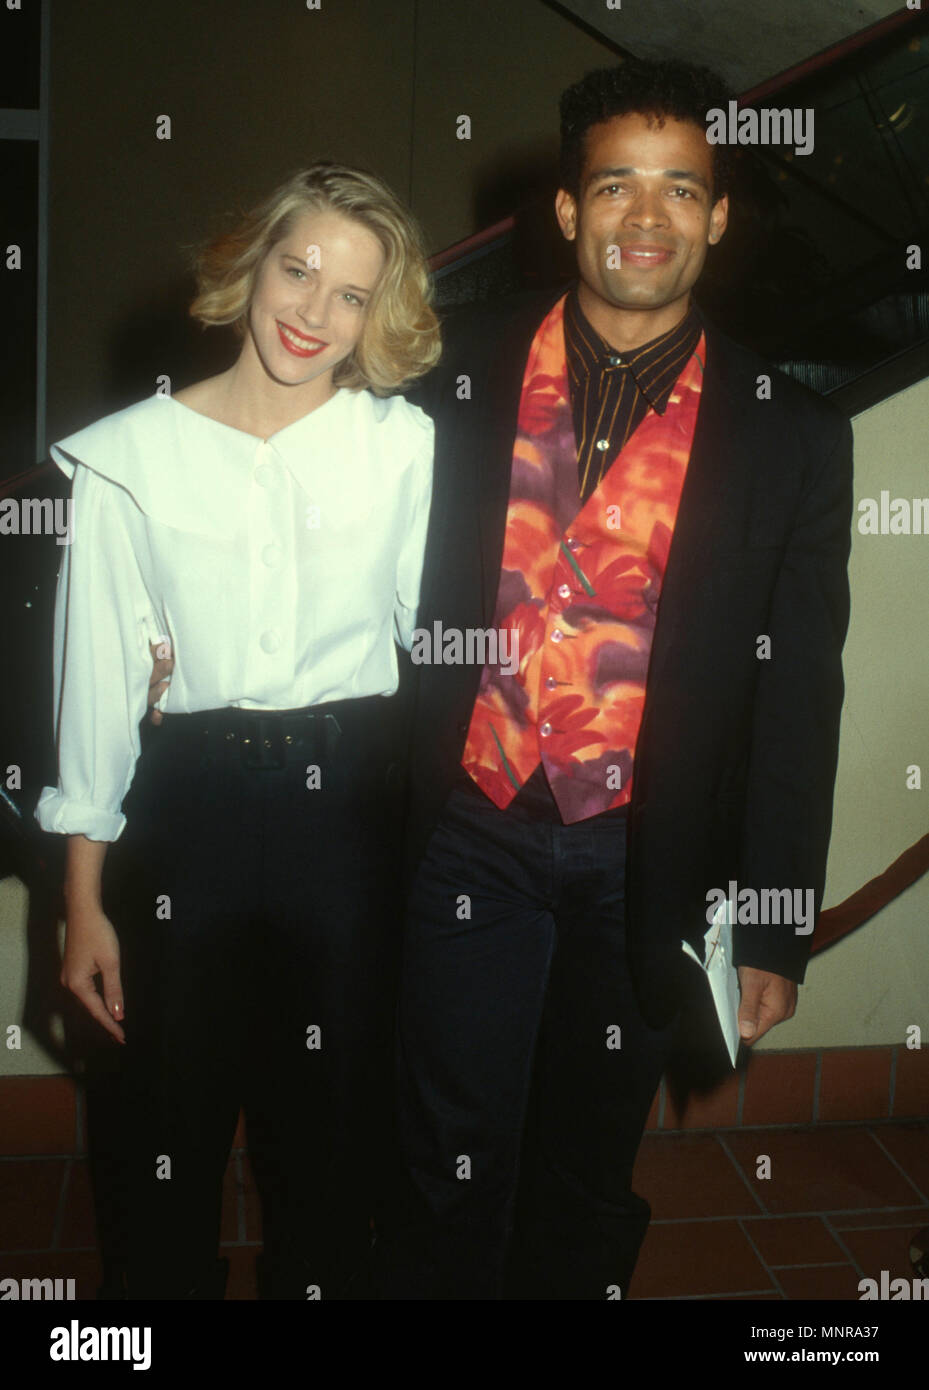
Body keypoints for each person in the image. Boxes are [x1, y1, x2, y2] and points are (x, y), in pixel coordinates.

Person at [378, 59, 854, 1300]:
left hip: (647, 855)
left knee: (588, 1168)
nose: (646, 218)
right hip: (465, 831)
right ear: (565, 209)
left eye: (679, 189)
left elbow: (796, 693)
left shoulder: (791, 433)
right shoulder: (451, 375)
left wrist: (774, 923)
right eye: (615, 186)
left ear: (716, 216)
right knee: (445, 1155)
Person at [36, 162, 439, 1300]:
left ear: (379, 315)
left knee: (333, 1152)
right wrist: (81, 901)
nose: (313, 313)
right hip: (187, 819)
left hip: (351, 820)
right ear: (250, 264)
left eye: (351, 294)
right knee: (157, 1146)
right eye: (297, 269)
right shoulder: (129, 457)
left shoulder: (402, 448)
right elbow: (102, 684)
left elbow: (448, 639)